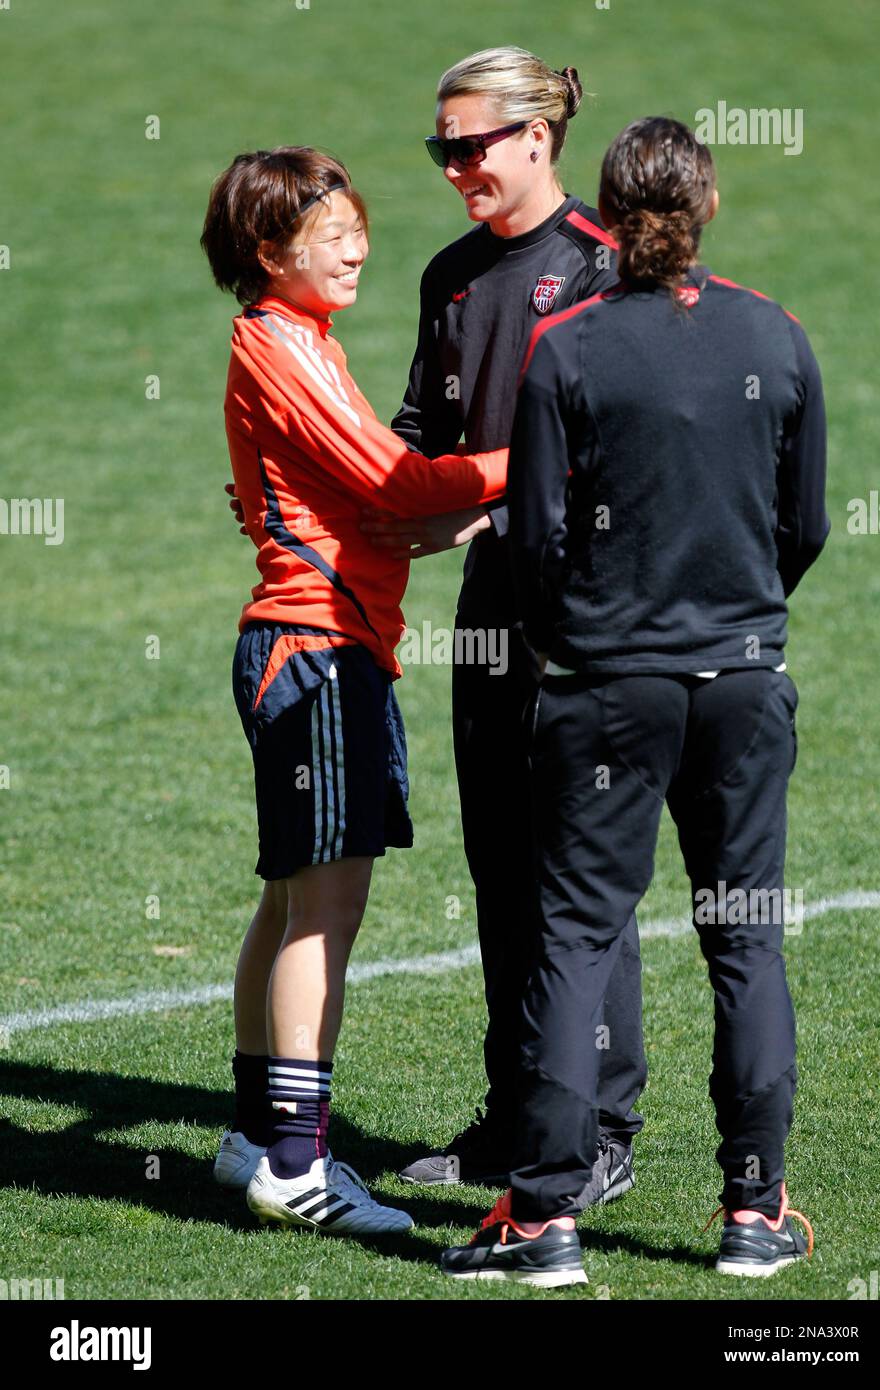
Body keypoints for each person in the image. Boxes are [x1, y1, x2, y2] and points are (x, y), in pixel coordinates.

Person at [442, 116, 828, 1285]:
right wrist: (739, 620)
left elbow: (539, 545)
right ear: (705, 206)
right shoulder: (779, 333)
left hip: (605, 694)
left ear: (609, 217)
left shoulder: (568, 349)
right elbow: (802, 527)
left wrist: (588, 642)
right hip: (746, 686)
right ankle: (753, 1212)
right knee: (746, 936)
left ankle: (544, 1217)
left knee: (573, 937)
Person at [200, 146, 509, 1236]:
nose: (357, 244)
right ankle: (295, 1161)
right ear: (267, 250)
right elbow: (394, 481)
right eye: (329, 231)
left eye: (356, 223)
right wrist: (534, 455)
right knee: (324, 909)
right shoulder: (284, 347)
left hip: (321, 644)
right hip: (315, 653)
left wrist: (446, 518)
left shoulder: (301, 341)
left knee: (293, 896)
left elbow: (380, 514)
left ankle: (254, 1134)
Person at [364, 46, 646, 1202]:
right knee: (499, 869)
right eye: (442, 150)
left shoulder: (604, 269)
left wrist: (480, 504)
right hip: (490, 620)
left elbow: (616, 452)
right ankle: (518, 1112)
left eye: (471, 146)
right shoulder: (450, 277)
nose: (454, 168)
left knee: (579, 877)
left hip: (591, 622)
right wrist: (344, 498)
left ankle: (603, 1127)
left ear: (539, 136)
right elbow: (421, 436)